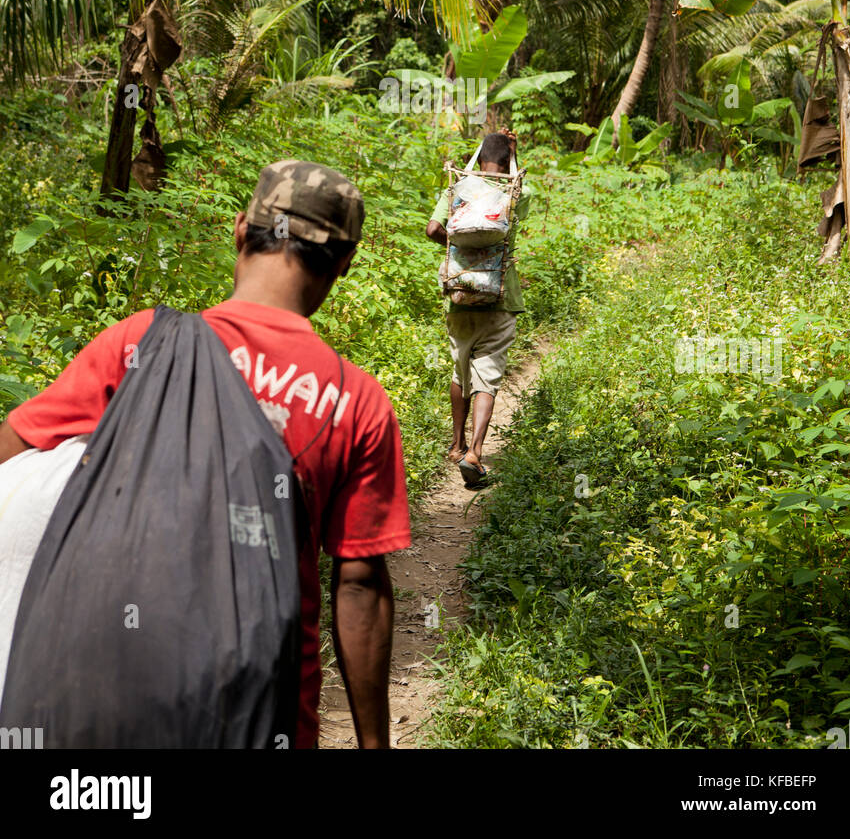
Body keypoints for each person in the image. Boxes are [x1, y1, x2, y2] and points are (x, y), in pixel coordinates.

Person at [0, 159, 410, 750]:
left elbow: (15, 457)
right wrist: (374, 743)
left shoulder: (140, 345)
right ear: (343, 264)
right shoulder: (356, 402)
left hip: (107, 692)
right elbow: (360, 586)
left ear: (241, 230)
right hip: (260, 711)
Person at [425, 130, 530, 488]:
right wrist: (513, 155)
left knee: (460, 371)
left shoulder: (457, 188)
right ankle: (475, 453)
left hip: (459, 296)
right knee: (488, 374)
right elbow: (514, 210)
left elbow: (432, 229)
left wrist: (458, 247)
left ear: (479, 155)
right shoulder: (517, 193)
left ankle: (455, 446)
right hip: (499, 298)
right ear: (507, 160)